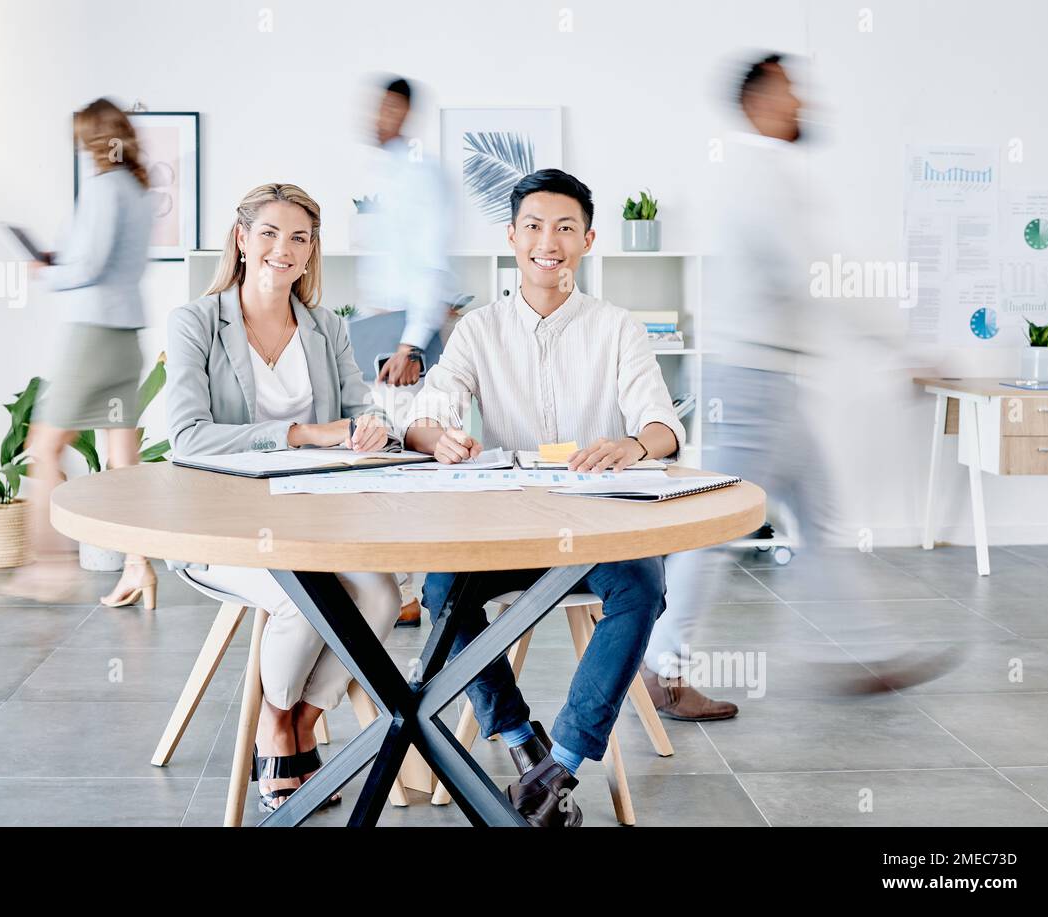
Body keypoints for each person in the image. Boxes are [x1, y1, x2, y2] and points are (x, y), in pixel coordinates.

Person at [403, 169, 686, 827]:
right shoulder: (478, 330)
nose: (547, 241)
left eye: (564, 227)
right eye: (533, 226)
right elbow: (425, 413)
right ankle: (517, 738)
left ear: (587, 239)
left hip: (593, 533)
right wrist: (437, 436)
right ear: (512, 237)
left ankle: (558, 763)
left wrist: (634, 445)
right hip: (505, 532)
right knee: (442, 588)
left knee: (642, 582)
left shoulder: (618, 328)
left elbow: (662, 424)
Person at [165, 183, 402, 812]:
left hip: (315, 522)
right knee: (303, 599)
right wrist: (299, 434)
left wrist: (369, 428)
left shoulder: (326, 327)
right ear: (241, 239)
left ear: (311, 252)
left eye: (299, 238)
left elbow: (358, 413)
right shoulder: (196, 322)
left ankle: (303, 721)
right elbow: (186, 439)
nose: (283, 248)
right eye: (269, 233)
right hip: (222, 529)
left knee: (382, 592)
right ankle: (274, 723)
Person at [638, 53, 833, 717]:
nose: (801, 102)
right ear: (760, 101)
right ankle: (662, 669)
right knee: (717, 527)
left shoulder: (764, 173)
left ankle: (855, 650)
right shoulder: (761, 175)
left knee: (820, 511)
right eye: (790, 91)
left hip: (771, 374)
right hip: (751, 377)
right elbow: (811, 277)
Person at [7, 98, 158, 608]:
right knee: (123, 463)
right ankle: (138, 568)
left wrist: (46, 272)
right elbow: (111, 261)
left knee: (44, 447)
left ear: (93, 139)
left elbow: (90, 265)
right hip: (127, 336)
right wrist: (63, 259)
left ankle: (51, 569)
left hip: (92, 335)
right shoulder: (138, 189)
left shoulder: (102, 186)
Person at [356, 75, 456, 627]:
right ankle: (400, 586)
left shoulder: (422, 176)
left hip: (404, 334)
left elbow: (431, 263)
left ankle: (421, 590)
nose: (377, 117)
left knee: (412, 457)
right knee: (380, 454)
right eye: (375, 106)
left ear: (406, 113)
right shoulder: (387, 174)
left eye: (388, 108)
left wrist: (411, 343)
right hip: (380, 327)